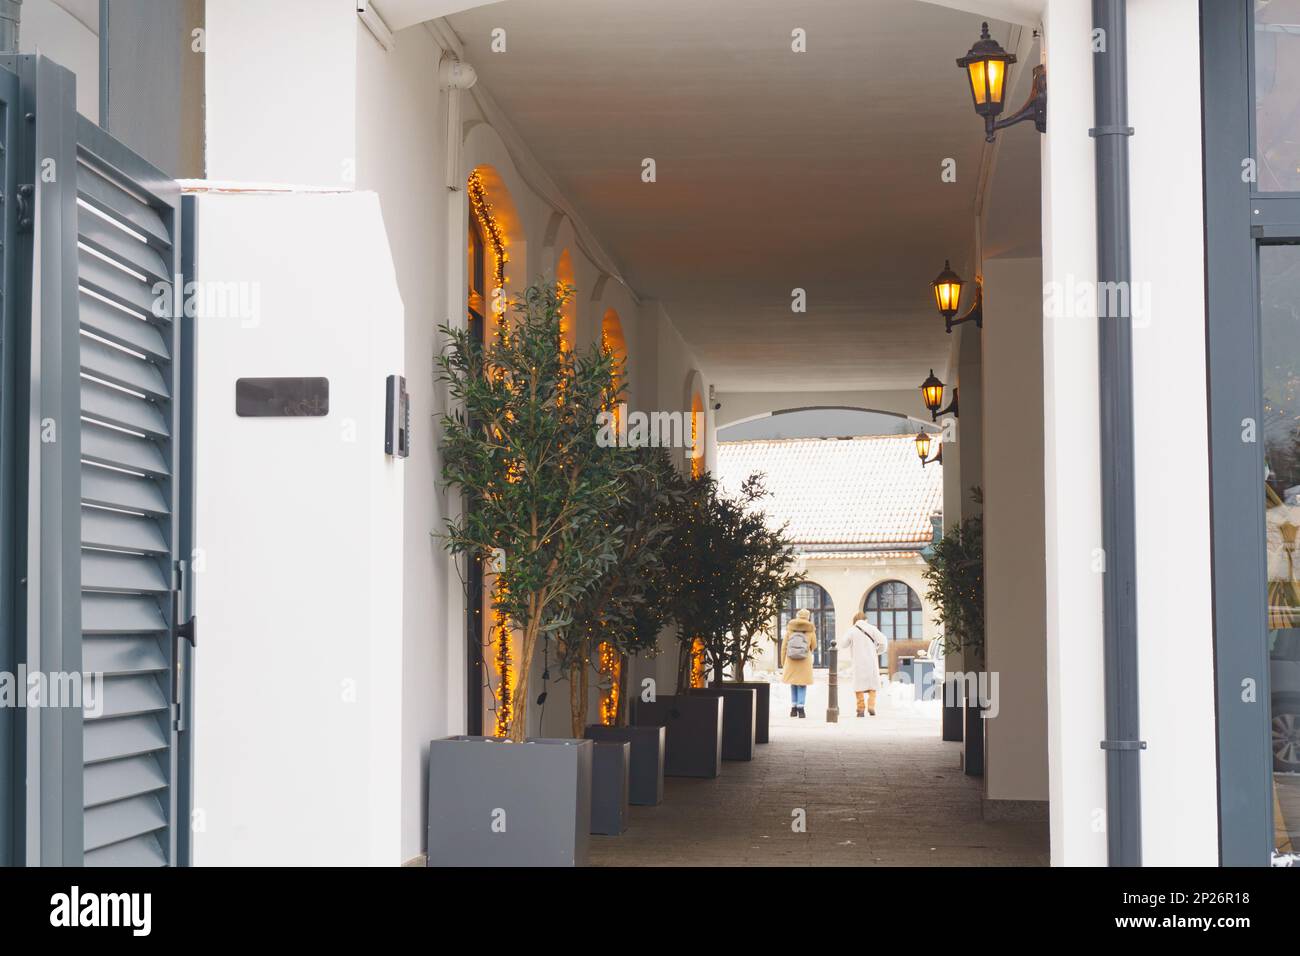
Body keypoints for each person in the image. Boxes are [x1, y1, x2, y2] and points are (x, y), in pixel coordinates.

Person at [840, 611, 888, 717]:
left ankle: (860, 709)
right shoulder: (872, 628)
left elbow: (843, 644)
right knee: (873, 685)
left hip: (858, 662)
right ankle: (871, 705)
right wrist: (877, 651)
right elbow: (884, 642)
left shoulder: (852, 630)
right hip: (871, 660)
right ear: (865, 619)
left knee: (859, 686)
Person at [782, 608, 817, 718]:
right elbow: (814, 646)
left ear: (797, 616)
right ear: (808, 617)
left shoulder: (790, 629)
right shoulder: (810, 630)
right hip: (804, 660)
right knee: (802, 684)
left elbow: (783, 647)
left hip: (791, 660)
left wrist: (783, 662)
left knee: (793, 683)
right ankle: (801, 709)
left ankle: (793, 709)